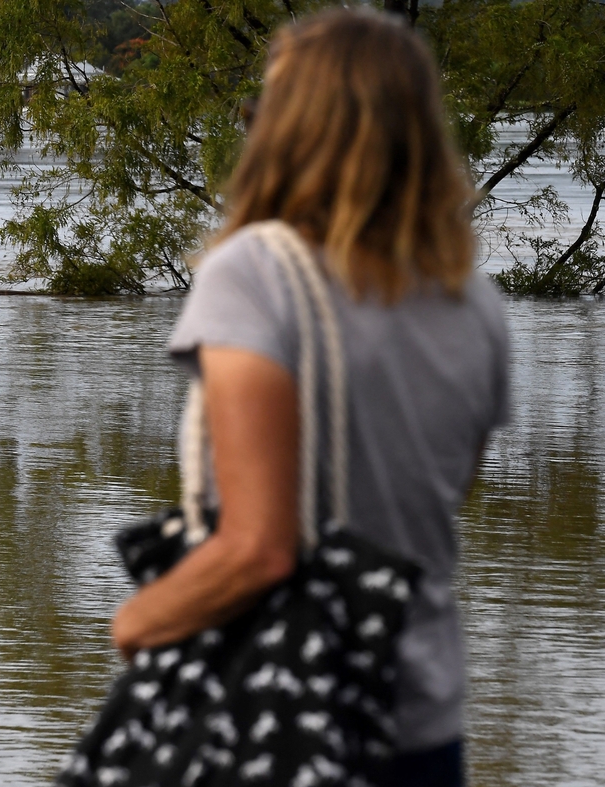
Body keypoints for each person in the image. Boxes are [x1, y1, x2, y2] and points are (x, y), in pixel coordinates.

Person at [109, 10, 508, 787]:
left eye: (258, 113)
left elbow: (260, 546)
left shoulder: (254, 274)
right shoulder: (476, 300)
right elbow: (435, 500)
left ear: (292, 132)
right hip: (422, 721)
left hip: (279, 715)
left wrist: (139, 621)